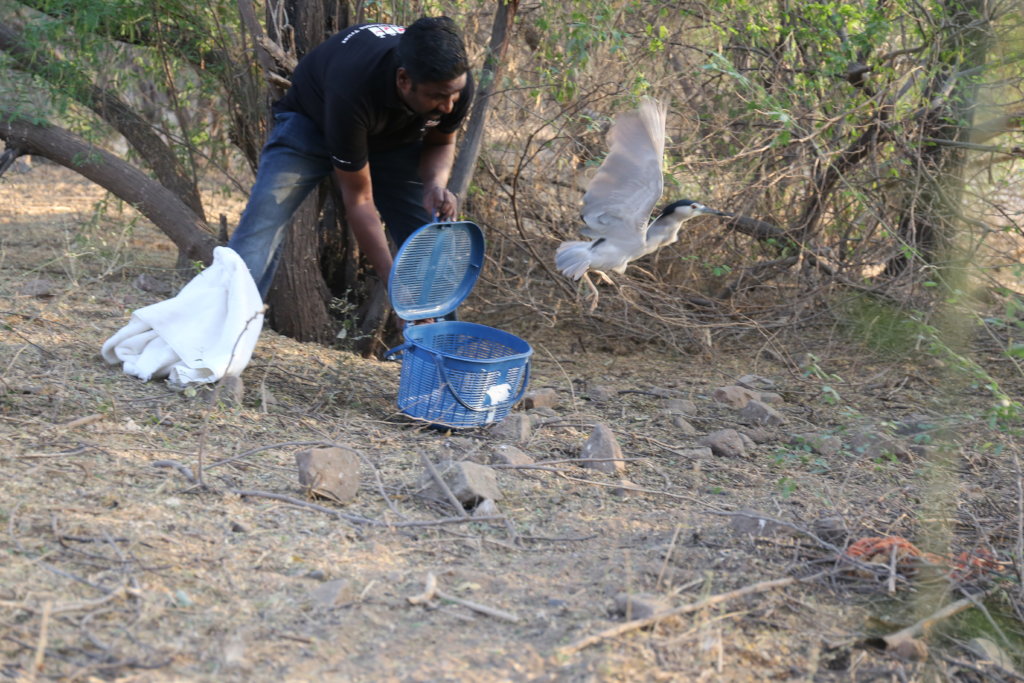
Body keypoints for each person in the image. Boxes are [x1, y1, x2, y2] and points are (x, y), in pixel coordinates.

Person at [228, 16, 474, 300]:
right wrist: (394, 287)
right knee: (262, 226)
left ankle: (434, 339)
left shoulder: (452, 82)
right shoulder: (353, 85)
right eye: (439, 97)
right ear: (404, 80)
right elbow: (359, 199)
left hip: (391, 140)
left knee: (432, 242)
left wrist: (433, 185)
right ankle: (223, 334)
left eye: (454, 95)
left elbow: (442, 141)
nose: (448, 106)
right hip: (312, 125)